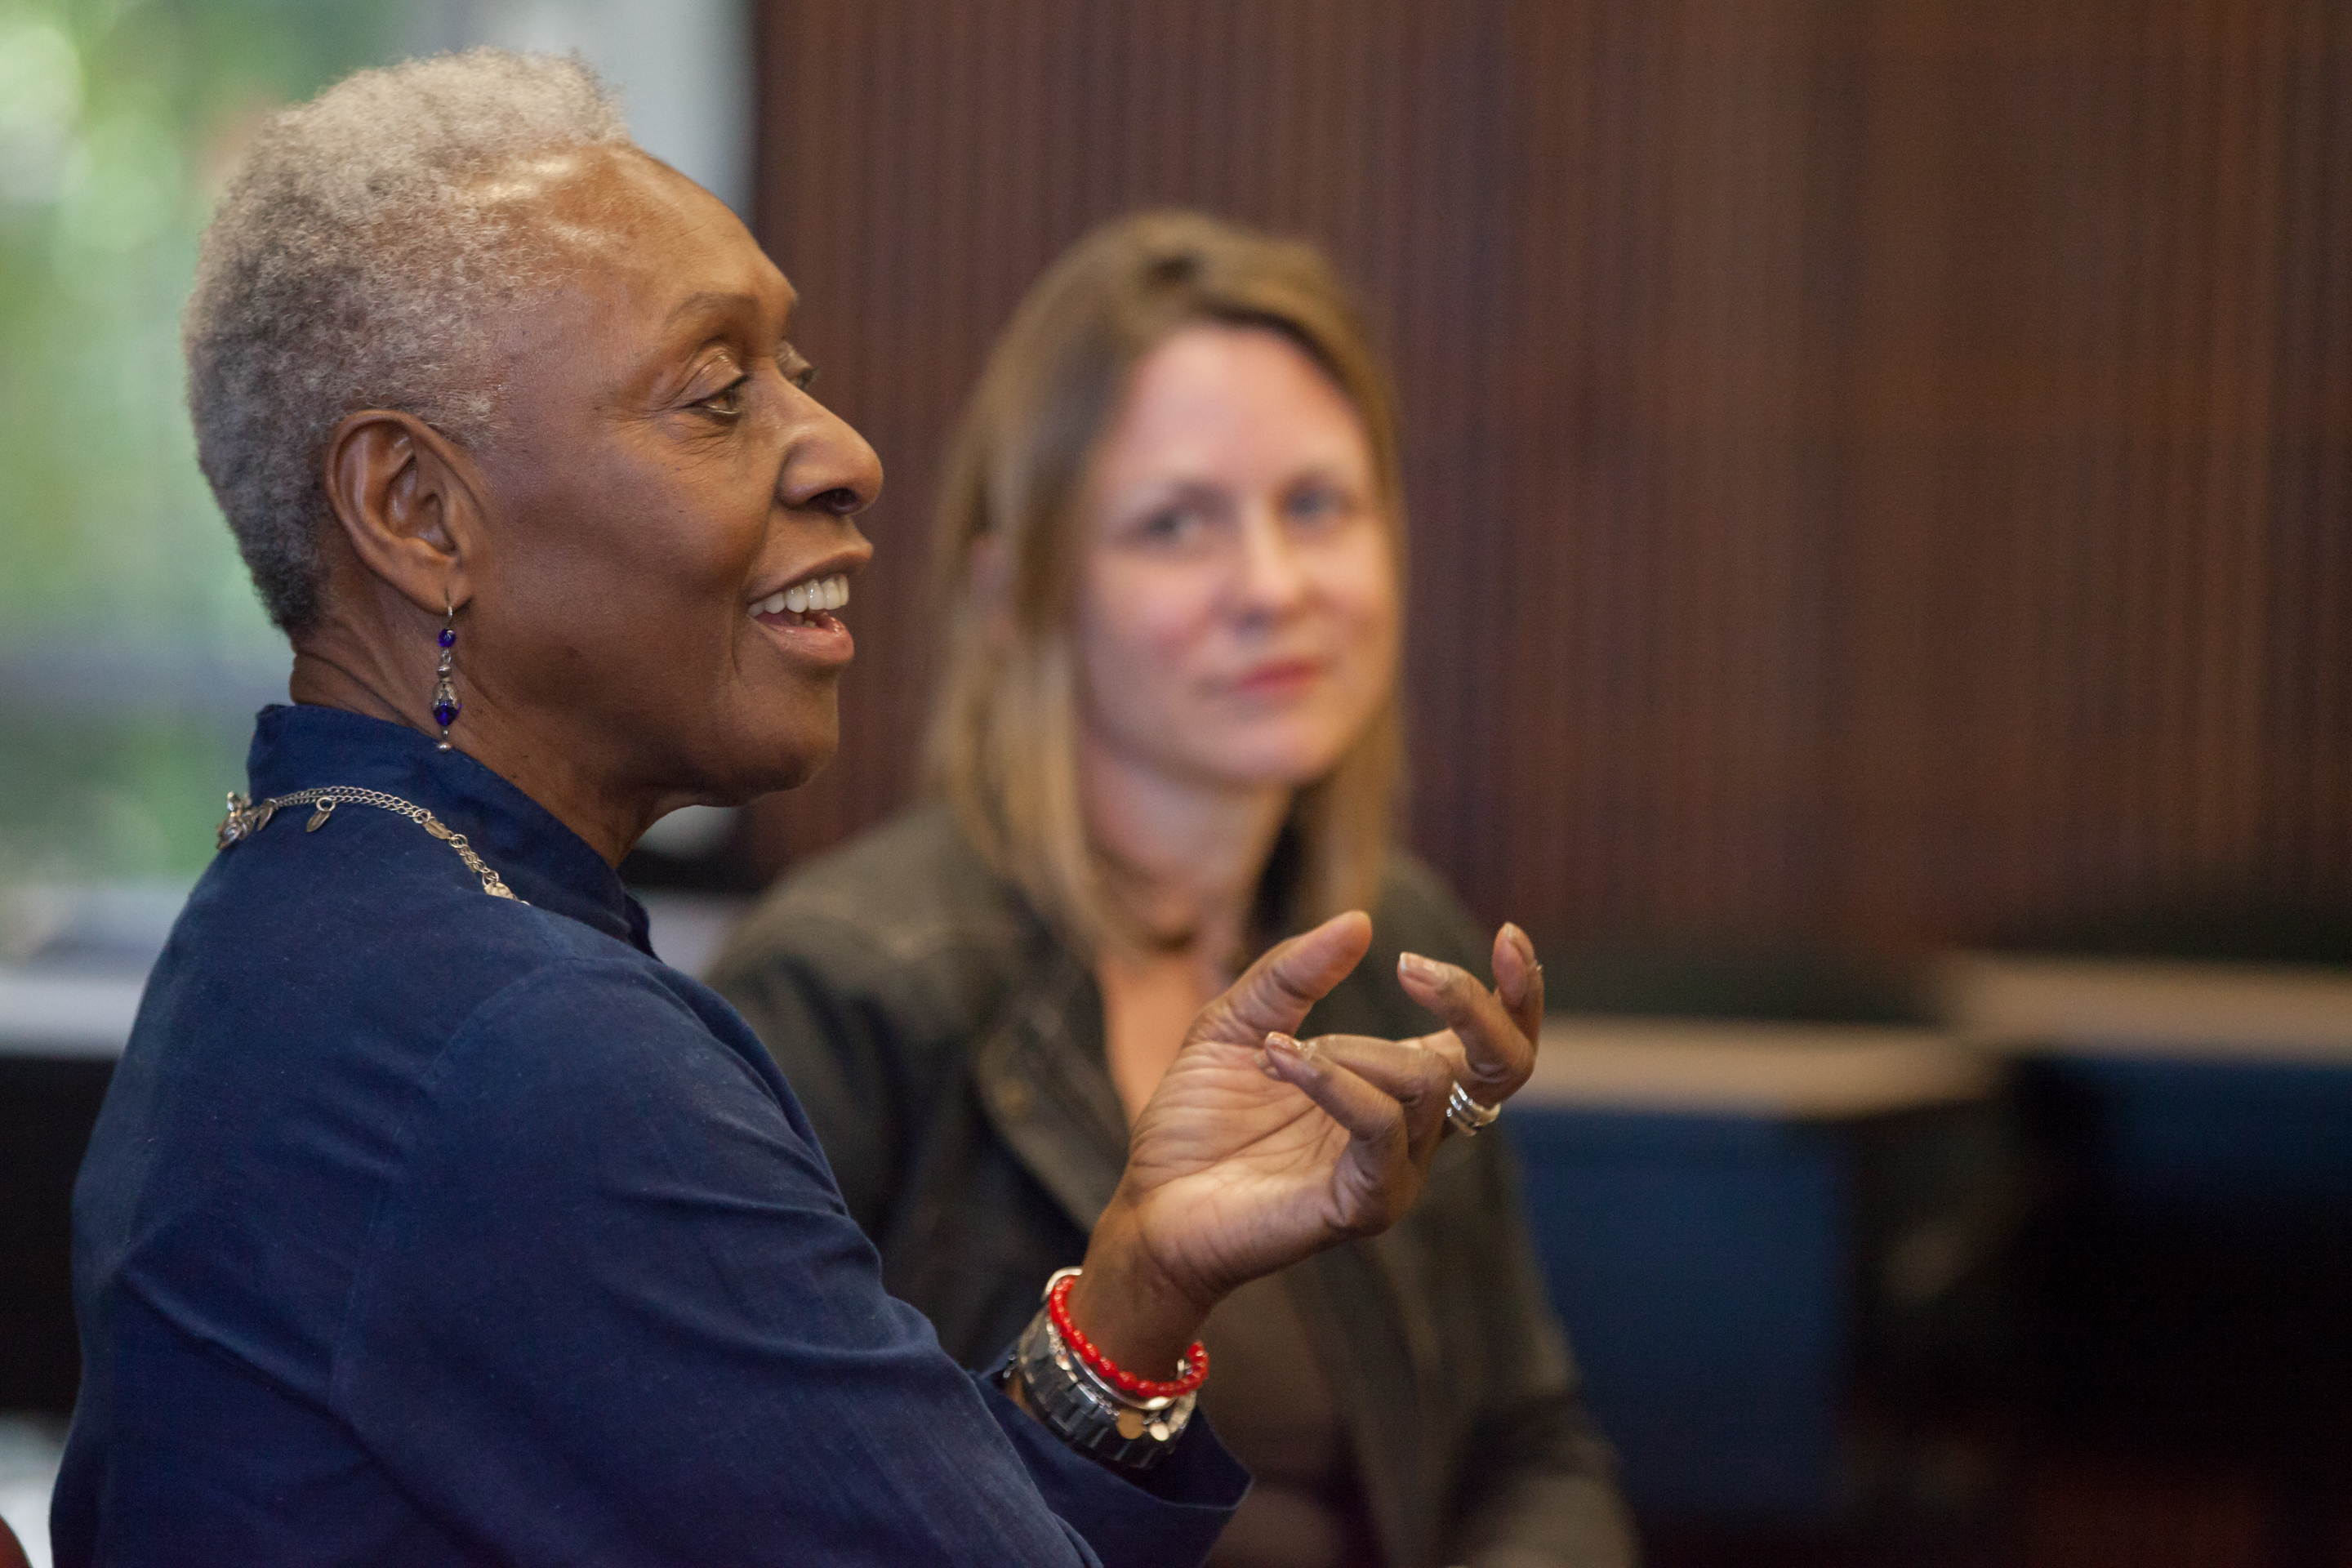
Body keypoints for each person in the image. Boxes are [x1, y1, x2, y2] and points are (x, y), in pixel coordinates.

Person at [51, 56, 1548, 1568]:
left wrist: (1140, 1291)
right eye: (717, 397)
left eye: (799, 379)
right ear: (420, 512)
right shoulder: (523, 1050)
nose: (848, 457)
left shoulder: (311, 908)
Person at [708, 213, 1638, 1567]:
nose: (1271, 586)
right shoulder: (850, 986)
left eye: (1316, 506)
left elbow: (1527, 1443)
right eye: (1175, 524)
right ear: (1017, 592)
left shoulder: (1402, 937)